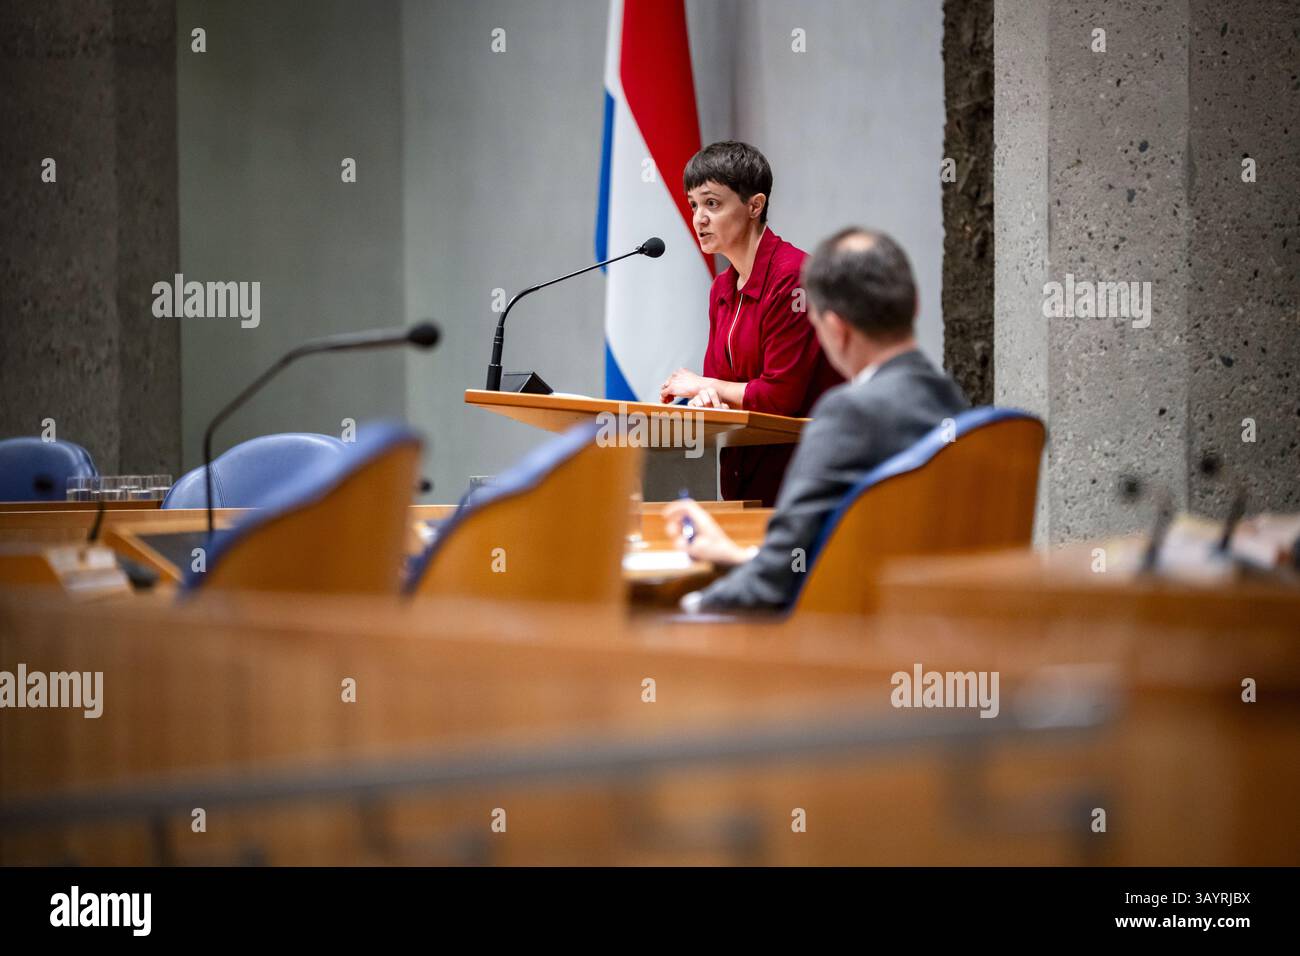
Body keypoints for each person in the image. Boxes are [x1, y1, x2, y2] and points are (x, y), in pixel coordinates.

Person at [664, 227, 969, 613]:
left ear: (836, 329)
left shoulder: (849, 414)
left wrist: (685, 606)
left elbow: (772, 588)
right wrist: (730, 554)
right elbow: (819, 567)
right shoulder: (956, 407)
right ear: (916, 306)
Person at [659, 141, 842, 506]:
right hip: (743, 473)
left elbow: (778, 397)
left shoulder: (793, 278)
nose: (699, 218)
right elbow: (723, 387)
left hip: (805, 482)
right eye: (694, 204)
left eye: (712, 203)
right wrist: (706, 395)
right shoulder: (722, 288)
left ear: (754, 206)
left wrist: (704, 384)